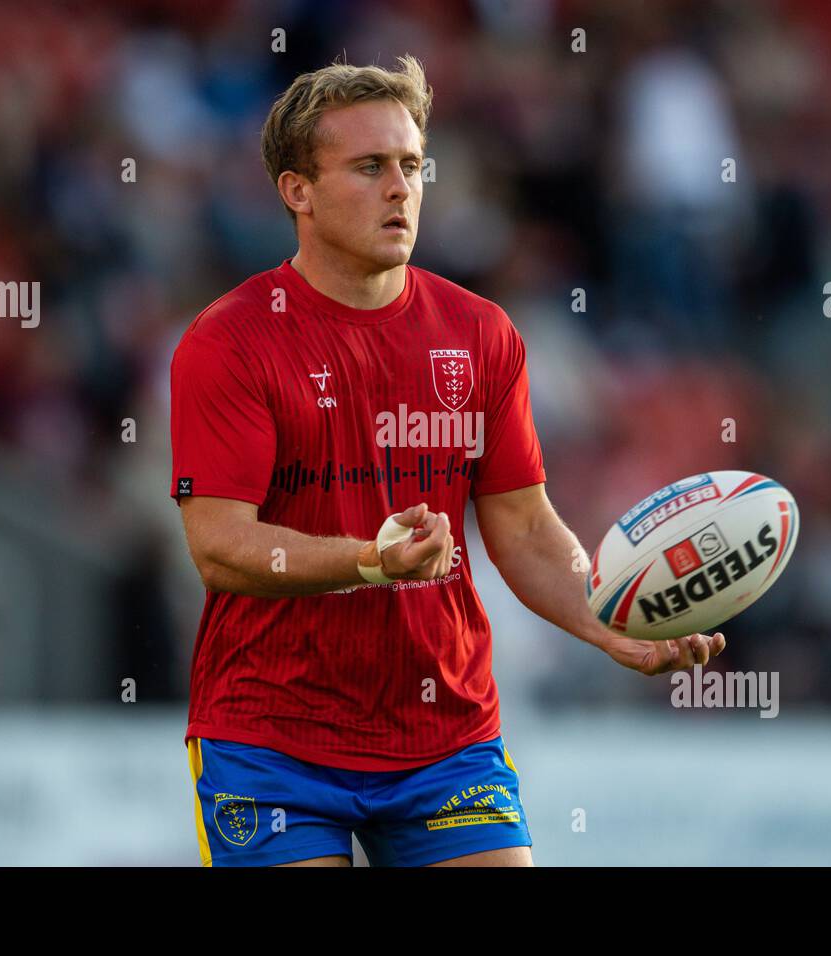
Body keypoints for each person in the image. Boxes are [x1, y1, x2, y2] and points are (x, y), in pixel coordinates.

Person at [170, 55, 724, 867]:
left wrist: (611, 624)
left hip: (444, 735)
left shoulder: (480, 333)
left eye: (409, 165)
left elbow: (528, 530)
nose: (400, 188)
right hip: (270, 737)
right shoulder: (231, 341)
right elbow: (217, 545)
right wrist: (367, 561)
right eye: (369, 167)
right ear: (298, 191)